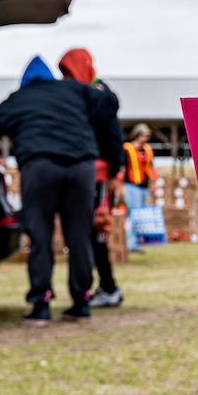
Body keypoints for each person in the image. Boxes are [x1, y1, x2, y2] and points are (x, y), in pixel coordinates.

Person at [0, 55, 120, 324]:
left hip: (40, 166)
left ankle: (41, 304)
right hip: (81, 168)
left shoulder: (20, 98)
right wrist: (98, 84)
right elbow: (109, 105)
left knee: (41, 235)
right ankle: (81, 303)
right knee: (80, 236)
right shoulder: (75, 90)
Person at [57, 48, 126, 308]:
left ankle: (109, 287)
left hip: (99, 174)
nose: (65, 79)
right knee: (87, 233)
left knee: (95, 232)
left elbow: (114, 137)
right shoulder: (82, 96)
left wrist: (113, 173)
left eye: (68, 72)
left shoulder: (100, 98)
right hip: (85, 172)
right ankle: (106, 286)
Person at [121, 123, 157, 252]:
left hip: (144, 187)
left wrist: (153, 183)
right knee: (133, 214)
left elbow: (150, 168)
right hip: (131, 185)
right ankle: (130, 244)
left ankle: (135, 243)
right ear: (137, 135)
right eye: (144, 135)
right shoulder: (127, 148)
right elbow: (123, 168)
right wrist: (120, 187)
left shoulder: (148, 149)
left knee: (140, 215)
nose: (146, 138)